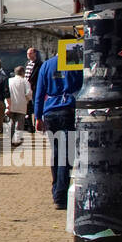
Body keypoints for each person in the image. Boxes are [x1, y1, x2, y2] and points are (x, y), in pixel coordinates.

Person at [35, 48, 83, 209]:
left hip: (50, 112)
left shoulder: (46, 65)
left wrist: (37, 116)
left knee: (56, 152)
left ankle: (57, 190)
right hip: (68, 110)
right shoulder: (74, 64)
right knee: (66, 154)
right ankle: (60, 195)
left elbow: (39, 92)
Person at [8, 65, 32, 144]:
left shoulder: (9, 80)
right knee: (19, 123)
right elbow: (28, 93)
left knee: (11, 122)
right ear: (23, 73)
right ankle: (17, 140)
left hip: (10, 104)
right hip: (21, 105)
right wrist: (27, 100)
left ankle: (10, 139)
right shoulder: (25, 81)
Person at [23, 47, 42, 122]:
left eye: (30, 53)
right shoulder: (27, 63)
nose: (28, 55)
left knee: (34, 104)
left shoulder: (39, 64)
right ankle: (29, 123)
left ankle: (36, 120)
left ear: (34, 53)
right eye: (27, 53)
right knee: (28, 105)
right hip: (26, 87)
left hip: (34, 87)